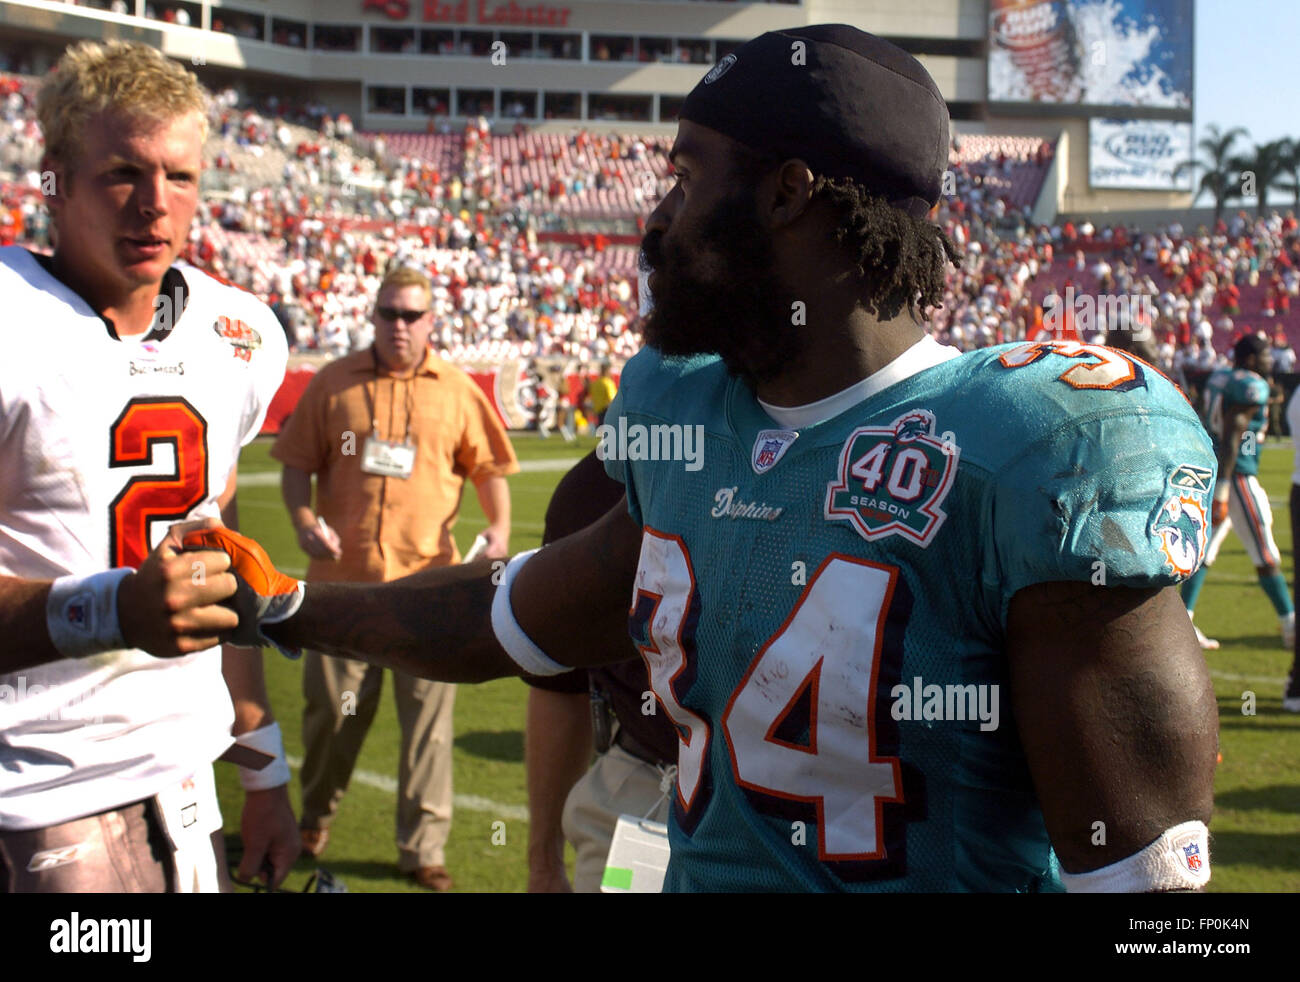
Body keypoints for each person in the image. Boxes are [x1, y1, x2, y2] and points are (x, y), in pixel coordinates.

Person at [197, 26, 1218, 893]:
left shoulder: (1044, 442)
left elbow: (1148, 895)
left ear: (786, 195)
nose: (657, 219)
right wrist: (286, 604)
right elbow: (511, 614)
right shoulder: (690, 415)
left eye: (687, 175)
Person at [0, 41, 296, 891]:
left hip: (183, 772)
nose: (154, 207)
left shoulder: (239, 333)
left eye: (181, 177)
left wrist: (262, 758)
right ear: (54, 179)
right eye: (123, 172)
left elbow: (216, 555)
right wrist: (111, 609)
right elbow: (139, 603)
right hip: (38, 789)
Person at [270, 265, 518, 891]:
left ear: (432, 321)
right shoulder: (333, 383)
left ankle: (422, 848)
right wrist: (301, 517)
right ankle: (314, 817)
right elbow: (297, 463)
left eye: (411, 315)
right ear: (373, 316)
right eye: (389, 313)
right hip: (342, 589)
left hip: (429, 592)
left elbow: (489, 468)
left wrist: (500, 530)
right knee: (330, 715)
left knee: (428, 730)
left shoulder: (459, 390)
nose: (399, 325)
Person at [524, 451, 677, 893]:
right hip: (648, 788)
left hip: (799, 809)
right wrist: (544, 863)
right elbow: (559, 683)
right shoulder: (602, 481)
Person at [1180, 333, 1295, 651]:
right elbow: (1232, 437)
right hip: (1237, 477)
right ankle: (1290, 626)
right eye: (1266, 355)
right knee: (1266, 553)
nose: (1271, 360)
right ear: (1249, 358)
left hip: (1216, 471)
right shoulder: (1249, 386)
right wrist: (1224, 490)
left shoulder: (1220, 377)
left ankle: (1184, 620)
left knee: (1204, 551)